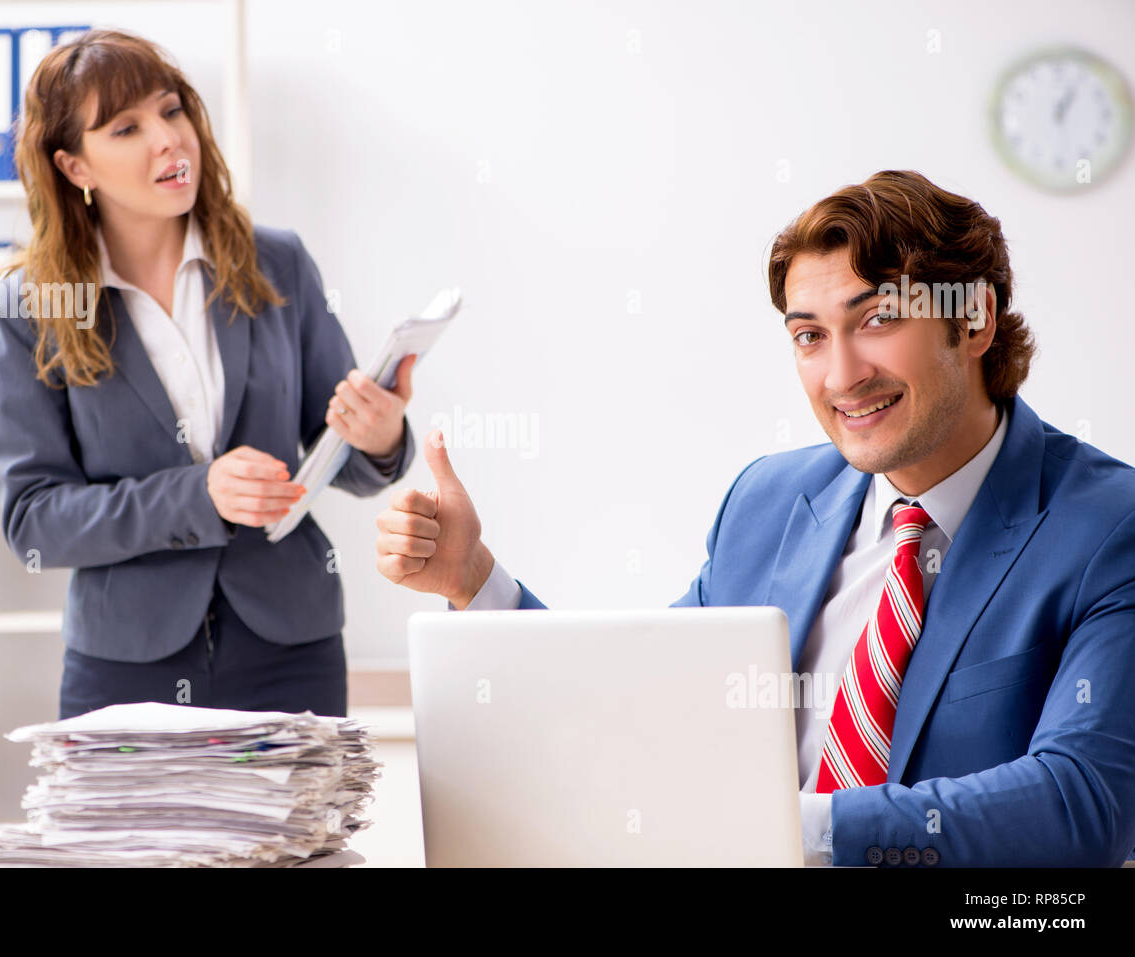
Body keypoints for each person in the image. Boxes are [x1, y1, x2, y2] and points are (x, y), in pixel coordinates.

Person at [374, 170, 1135, 867]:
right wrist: (475, 580)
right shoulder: (768, 502)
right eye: (810, 336)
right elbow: (639, 708)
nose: (842, 376)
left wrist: (786, 829)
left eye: (875, 320)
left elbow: (1082, 802)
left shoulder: (1106, 526)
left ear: (973, 323)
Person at [0, 29, 416, 720]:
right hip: (125, 665)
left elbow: (342, 458)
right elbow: (35, 521)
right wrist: (198, 495)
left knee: (299, 835)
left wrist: (379, 437)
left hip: (291, 649)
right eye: (126, 128)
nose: (168, 139)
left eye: (172, 110)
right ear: (75, 168)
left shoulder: (276, 263)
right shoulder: (28, 305)